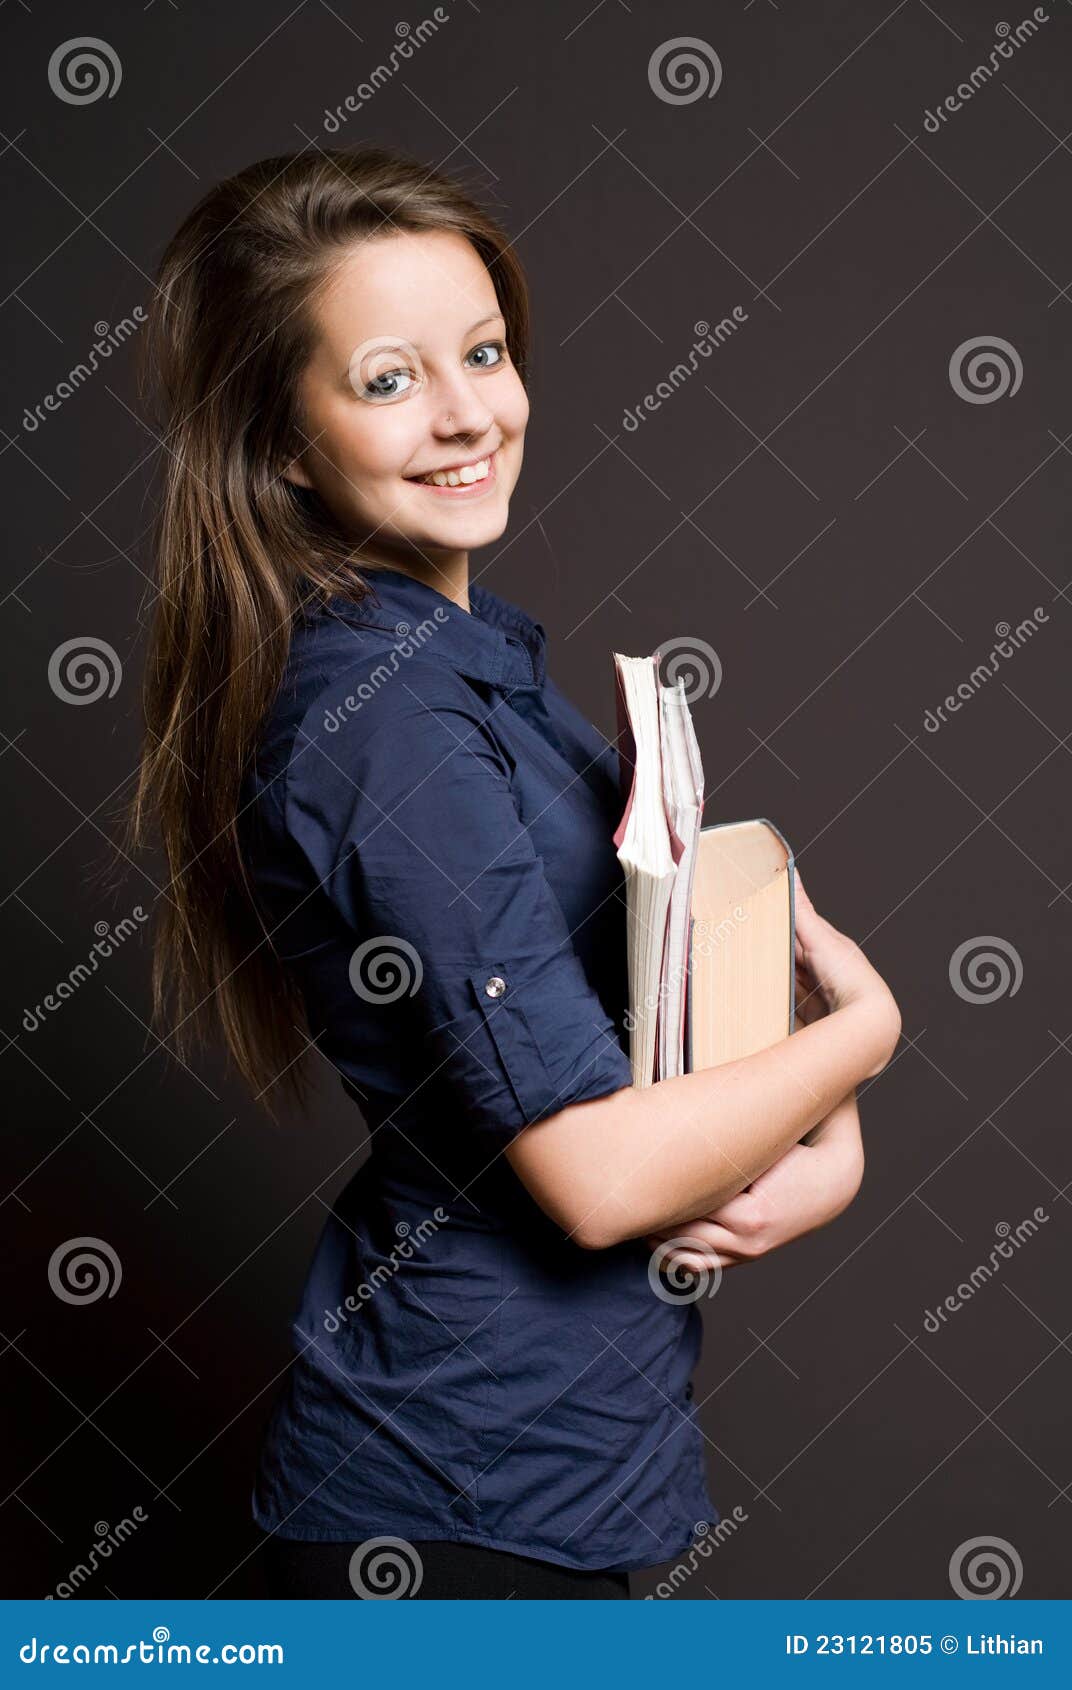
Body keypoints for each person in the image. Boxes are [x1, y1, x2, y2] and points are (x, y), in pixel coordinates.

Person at [124, 145, 901, 1600]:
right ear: (284, 440)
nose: (470, 412)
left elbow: (654, 1039)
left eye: (482, 352)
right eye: (389, 378)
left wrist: (828, 1144)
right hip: (453, 1520)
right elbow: (601, 1174)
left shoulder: (481, 674)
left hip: (574, 1483)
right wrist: (867, 1034)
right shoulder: (388, 731)